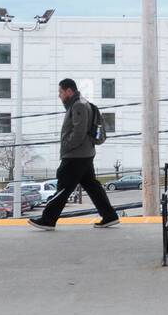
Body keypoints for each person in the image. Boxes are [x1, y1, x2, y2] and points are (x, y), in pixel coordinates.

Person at [29, 79, 122, 230]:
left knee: (63, 188)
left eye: (60, 92)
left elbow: (79, 132)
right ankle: (109, 216)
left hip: (76, 156)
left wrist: (66, 146)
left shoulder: (78, 105)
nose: (59, 96)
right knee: (92, 187)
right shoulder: (80, 103)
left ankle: (48, 219)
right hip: (85, 154)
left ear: (69, 91)